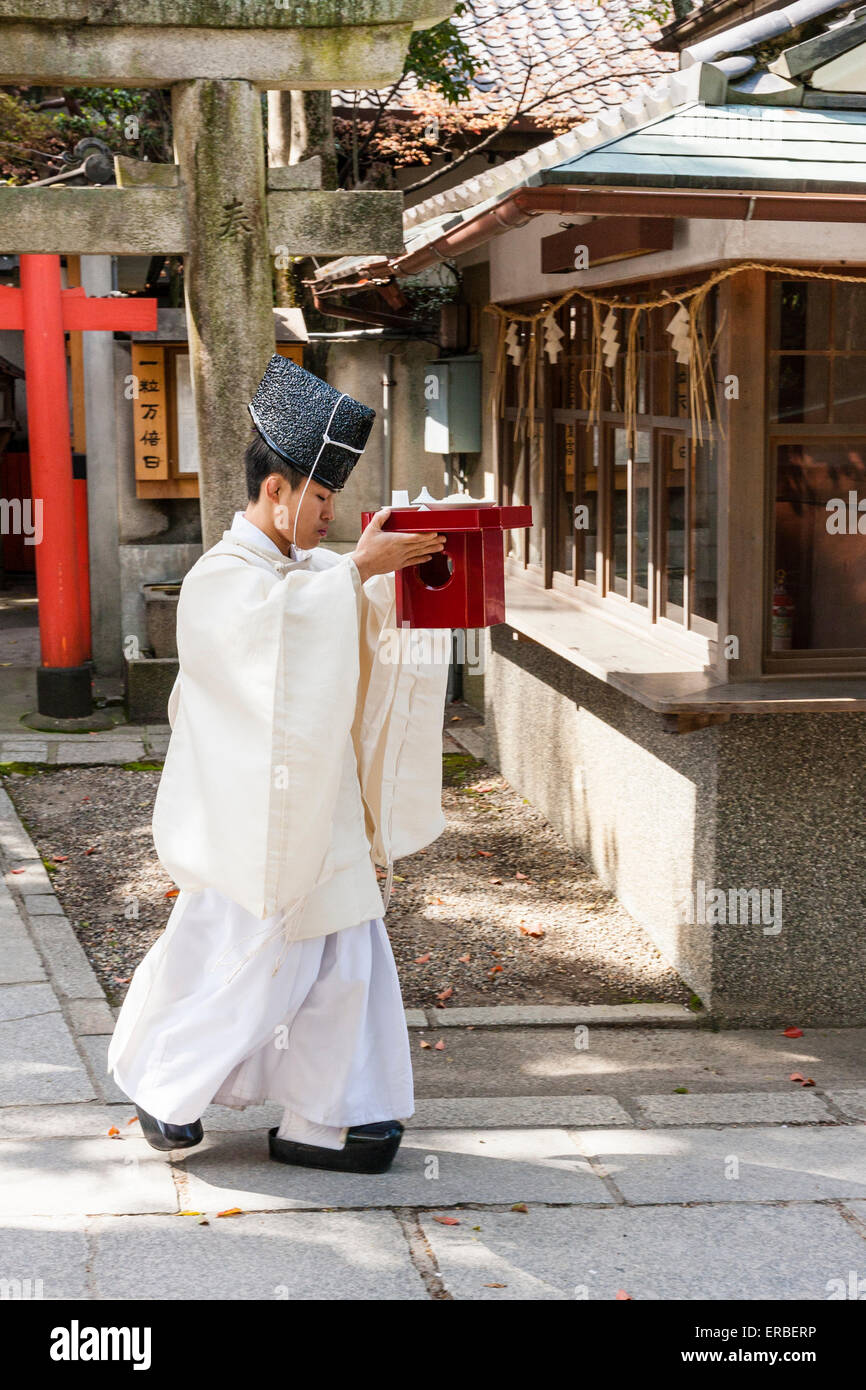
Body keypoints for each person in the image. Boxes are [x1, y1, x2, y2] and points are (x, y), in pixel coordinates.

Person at [108, 355, 451, 1175]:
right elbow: (284, 632)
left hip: (315, 813)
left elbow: (328, 603)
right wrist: (357, 575)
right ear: (275, 491)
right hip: (253, 828)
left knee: (344, 965)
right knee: (253, 966)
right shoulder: (223, 578)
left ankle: (335, 1120)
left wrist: (371, 576)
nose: (329, 516)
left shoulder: (298, 573)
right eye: (321, 497)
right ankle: (165, 1088)